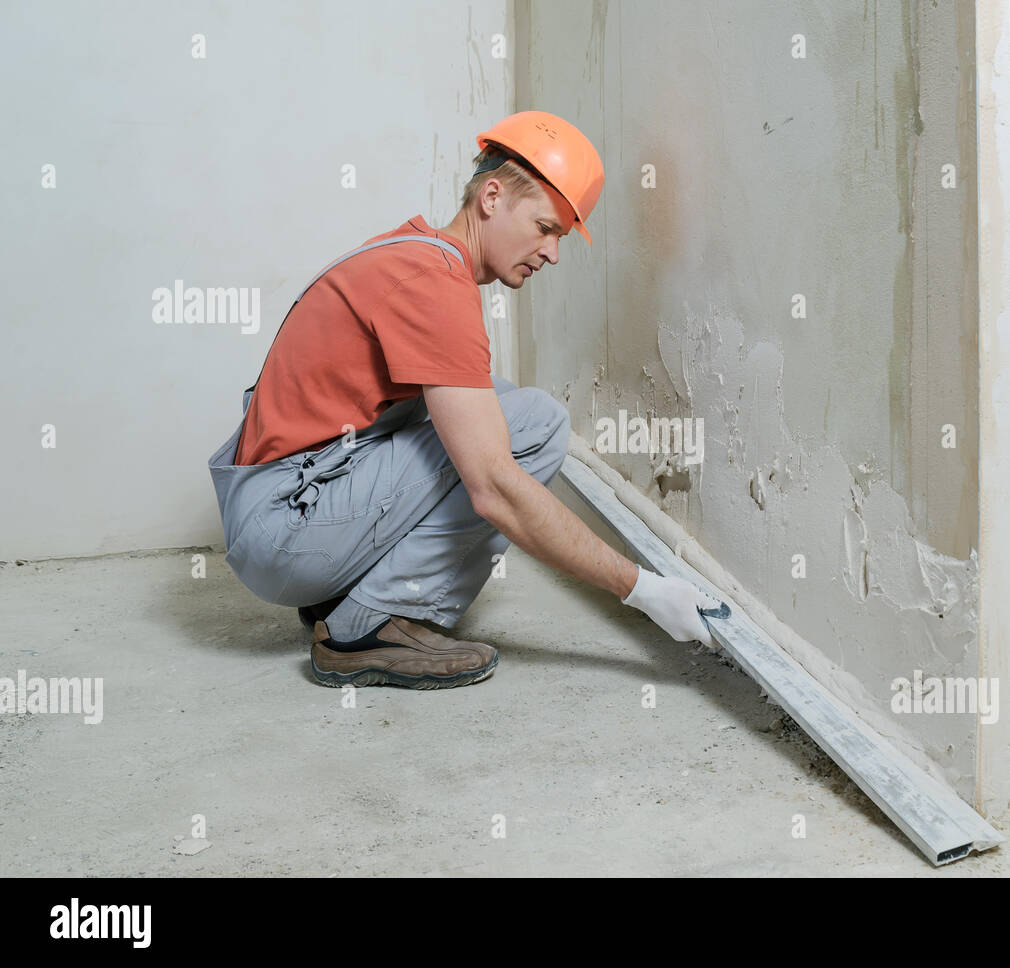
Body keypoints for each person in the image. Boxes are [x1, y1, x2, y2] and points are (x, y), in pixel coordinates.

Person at [206, 110, 721, 690]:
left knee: (494, 407)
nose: (552, 253)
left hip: (279, 510)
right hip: (285, 530)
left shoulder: (412, 250)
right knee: (534, 427)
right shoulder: (434, 284)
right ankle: (369, 627)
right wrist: (645, 590)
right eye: (546, 228)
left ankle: (346, 595)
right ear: (493, 197)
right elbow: (495, 488)